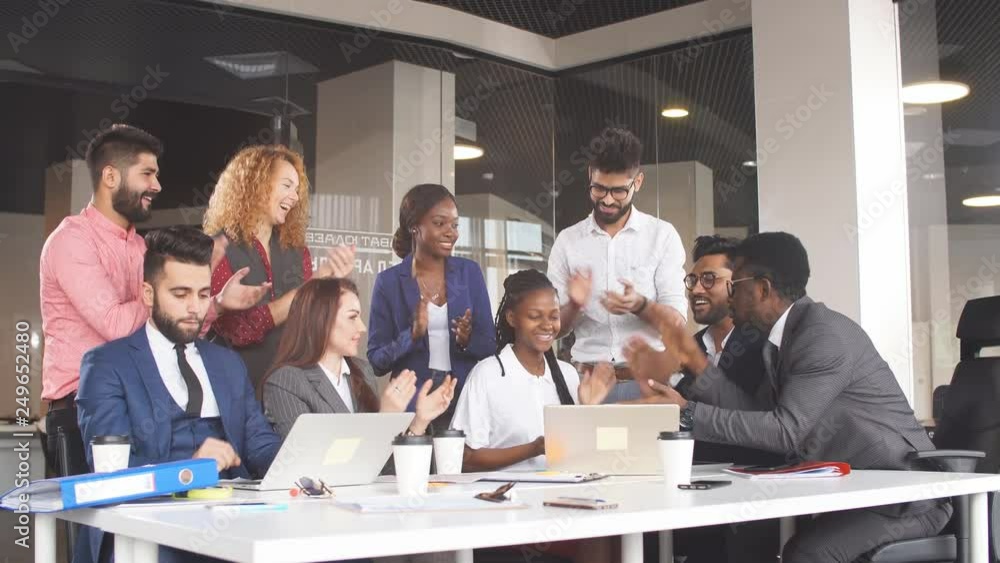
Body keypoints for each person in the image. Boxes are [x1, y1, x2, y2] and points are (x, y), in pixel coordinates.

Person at [639, 232, 952, 563]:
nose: (729, 295)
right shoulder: (783, 337)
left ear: (762, 288)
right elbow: (756, 411)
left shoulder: (822, 335)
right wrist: (693, 374)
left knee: (806, 554)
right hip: (854, 489)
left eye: (736, 284)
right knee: (748, 532)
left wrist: (688, 414)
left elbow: (784, 431)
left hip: (903, 497)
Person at [39, 125, 267, 477]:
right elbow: (117, 325)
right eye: (147, 173)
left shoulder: (140, 246)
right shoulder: (71, 242)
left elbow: (167, 321)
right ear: (110, 176)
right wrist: (174, 286)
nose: (157, 186)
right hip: (82, 402)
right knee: (110, 509)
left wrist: (214, 302)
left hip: (149, 386)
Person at [75, 226, 282, 563]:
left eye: (203, 295)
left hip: (232, 524)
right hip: (148, 527)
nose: (194, 308)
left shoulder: (226, 363)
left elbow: (258, 442)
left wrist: (299, 465)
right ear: (147, 293)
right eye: (180, 293)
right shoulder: (107, 365)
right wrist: (190, 468)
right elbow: (111, 473)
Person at [450, 270, 616, 563]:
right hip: (507, 512)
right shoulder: (489, 374)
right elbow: (465, 457)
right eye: (535, 316)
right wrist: (535, 447)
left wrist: (591, 410)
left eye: (553, 316)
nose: (547, 325)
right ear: (512, 318)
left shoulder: (566, 374)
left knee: (612, 532)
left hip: (562, 505)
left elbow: (585, 454)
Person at [547, 127, 687, 402]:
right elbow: (555, 329)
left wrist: (640, 306)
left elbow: (677, 324)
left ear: (638, 182)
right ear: (590, 175)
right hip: (586, 385)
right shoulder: (568, 241)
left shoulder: (662, 236)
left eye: (619, 191)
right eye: (599, 188)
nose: (608, 199)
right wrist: (574, 305)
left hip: (649, 385)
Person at [204, 144, 356, 390]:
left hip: (289, 387)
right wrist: (317, 279)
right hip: (234, 387)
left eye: (297, 190)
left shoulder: (298, 252)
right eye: (287, 186)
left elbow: (307, 324)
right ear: (256, 184)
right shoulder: (218, 249)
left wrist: (328, 286)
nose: (295, 198)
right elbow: (239, 330)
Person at [262, 277, 456, 439]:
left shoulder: (363, 371)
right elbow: (310, 464)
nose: (362, 328)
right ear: (321, 319)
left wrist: (420, 421)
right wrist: (385, 419)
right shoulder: (285, 382)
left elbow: (384, 470)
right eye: (352, 317)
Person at [368, 184, 495, 427]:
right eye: (440, 223)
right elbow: (376, 362)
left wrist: (466, 340)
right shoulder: (389, 282)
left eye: (455, 225)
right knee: (417, 465)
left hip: (463, 396)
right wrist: (412, 336)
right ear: (414, 226)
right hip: (413, 404)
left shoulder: (469, 273)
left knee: (460, 465)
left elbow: (490, 346)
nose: (451, 233)